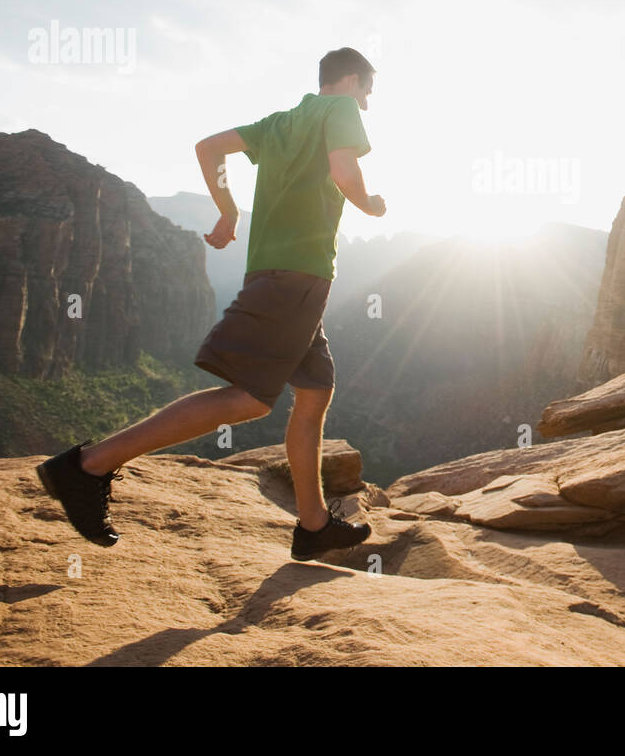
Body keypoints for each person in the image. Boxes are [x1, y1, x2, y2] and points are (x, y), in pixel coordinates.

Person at [35, 47, 386, 562]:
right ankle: (87, 466)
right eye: (368, 93)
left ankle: (313, 525)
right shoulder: (340, 110)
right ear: (351, 81)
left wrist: (228, 211)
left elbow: (208, 147)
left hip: (282, 276)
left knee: (314, 391)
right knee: (250, 399)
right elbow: (342, 169)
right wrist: (370, 203)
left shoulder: (280, 122)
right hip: (296, 279)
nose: (368, 105)